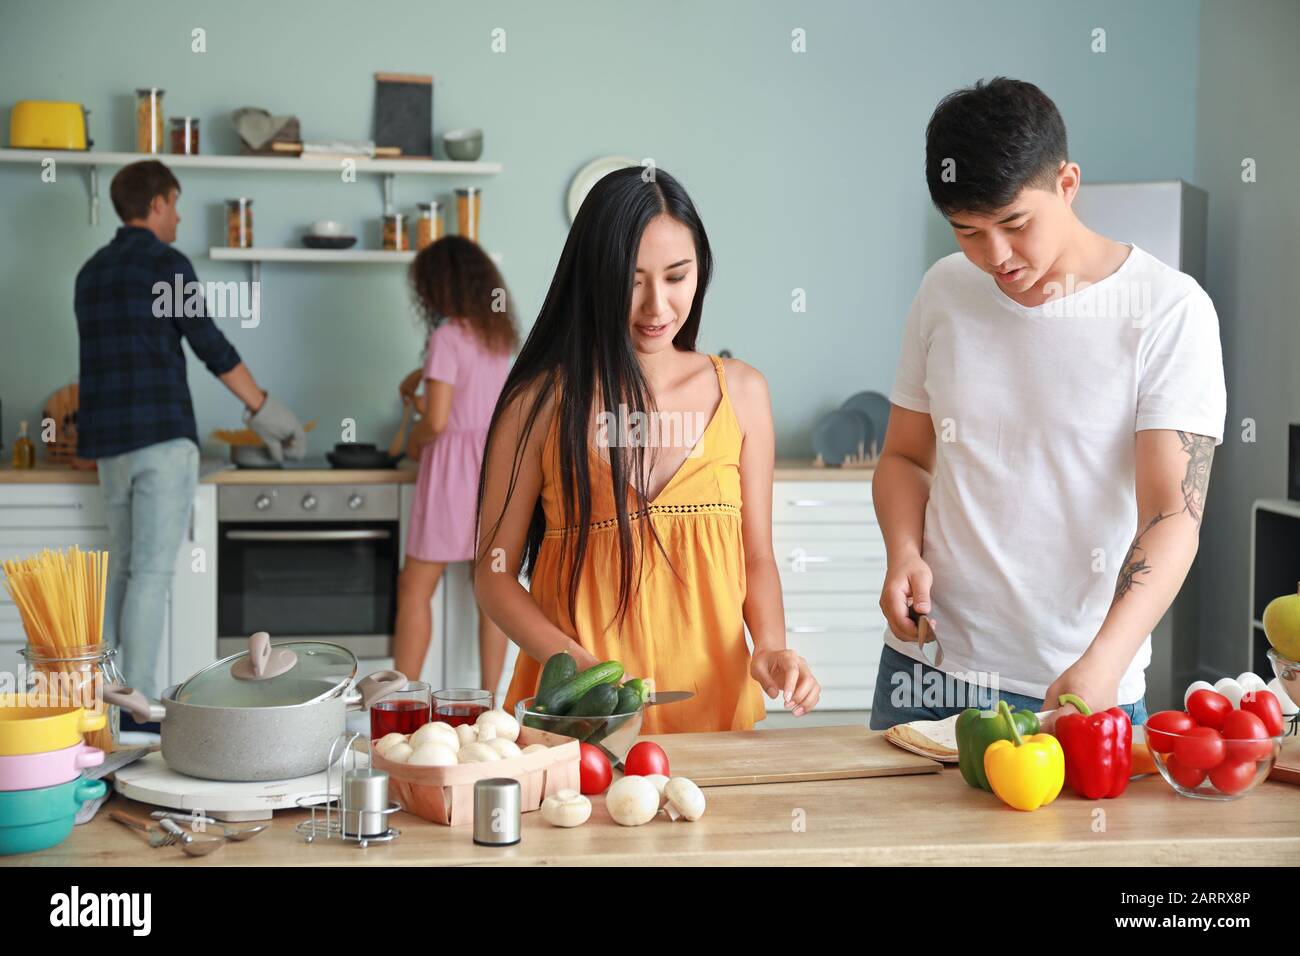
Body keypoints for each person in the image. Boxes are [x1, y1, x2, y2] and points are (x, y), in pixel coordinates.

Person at [870, 78, 1226, 730]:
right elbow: (903, 458)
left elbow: (1173, 514)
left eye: (1015, 224)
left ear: (1067, 184)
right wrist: (904, 552)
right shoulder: (943, 292)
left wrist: (1105, 663)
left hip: (1078, 681)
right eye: (968, 232)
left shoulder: (1169, 312)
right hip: (924, 669)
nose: (996, 257)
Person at [477, 166, 820, 734]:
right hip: (583, 718)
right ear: (594, 279)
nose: (656, 306)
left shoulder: (743, 391)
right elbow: (493, 574)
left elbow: (756, 556)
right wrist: (582, 670)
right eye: (632, 281)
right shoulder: (536, 404)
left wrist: (771, 649)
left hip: (714, 712)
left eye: (676, 277)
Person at [74, 160, 305, 714]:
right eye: (174, 204)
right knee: (150, 574)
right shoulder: (166, 264)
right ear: (155, 203)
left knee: (123, 566)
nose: (178, 216)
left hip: (110, 448)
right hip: (161, 440)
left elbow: (97, 361)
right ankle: (138, 709)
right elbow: (211, 347)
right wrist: (269, 412)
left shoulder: (91, 272)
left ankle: (98, 702)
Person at [393, 237, 517, 694]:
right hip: (495, 468)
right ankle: (491, 706)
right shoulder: (495, 336)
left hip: (450, 474)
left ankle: (401, 698)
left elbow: (439, 420)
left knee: (414, 588)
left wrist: (412, 441)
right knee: (491, 593)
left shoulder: (446, 336)